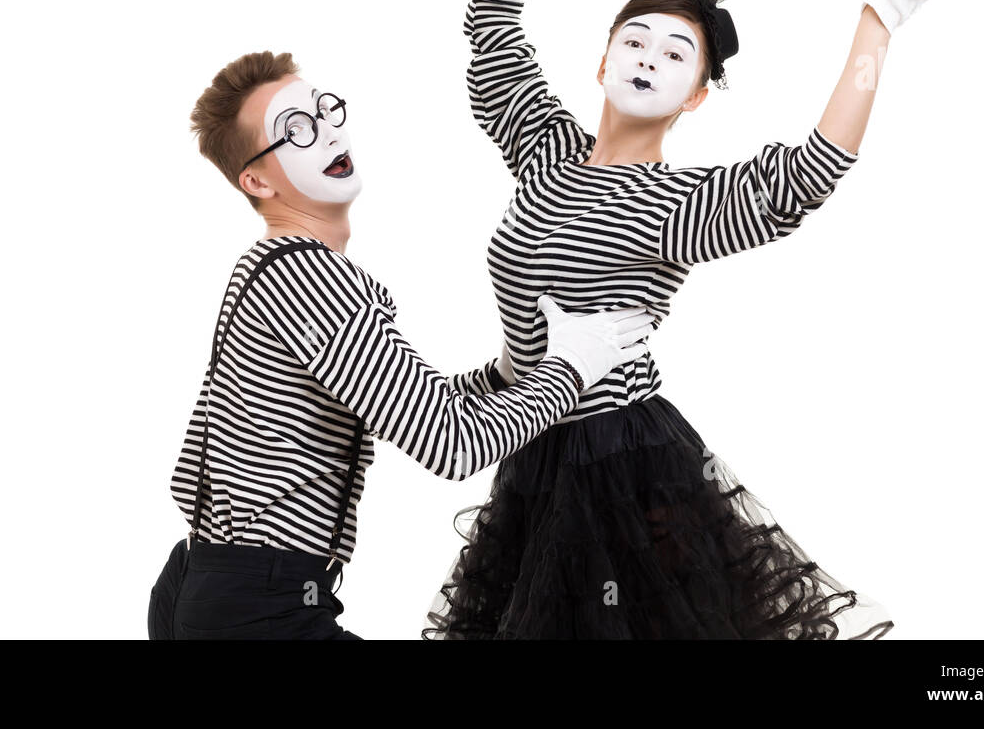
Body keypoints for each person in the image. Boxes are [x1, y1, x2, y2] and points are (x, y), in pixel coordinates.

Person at [422, 0, 965, 639]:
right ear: (602, 58)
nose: (649, 58)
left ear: (697, 97)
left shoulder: (677, 203)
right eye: (635, 41)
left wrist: (875, 24)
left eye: (676, 55)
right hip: (533, 450)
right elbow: (490, 30)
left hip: (623, 466)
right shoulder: (543, 150)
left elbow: (805, 177)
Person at [147, 50, 655, 639]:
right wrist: (571, 367)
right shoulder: (312, 281)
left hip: (211, 592)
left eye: (324, 113)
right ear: (255, 180)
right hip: (255, 612)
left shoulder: (269, 266)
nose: (327, 135)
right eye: (295, 132)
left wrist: (508, 371)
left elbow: (412, 403)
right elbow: (451, 444)